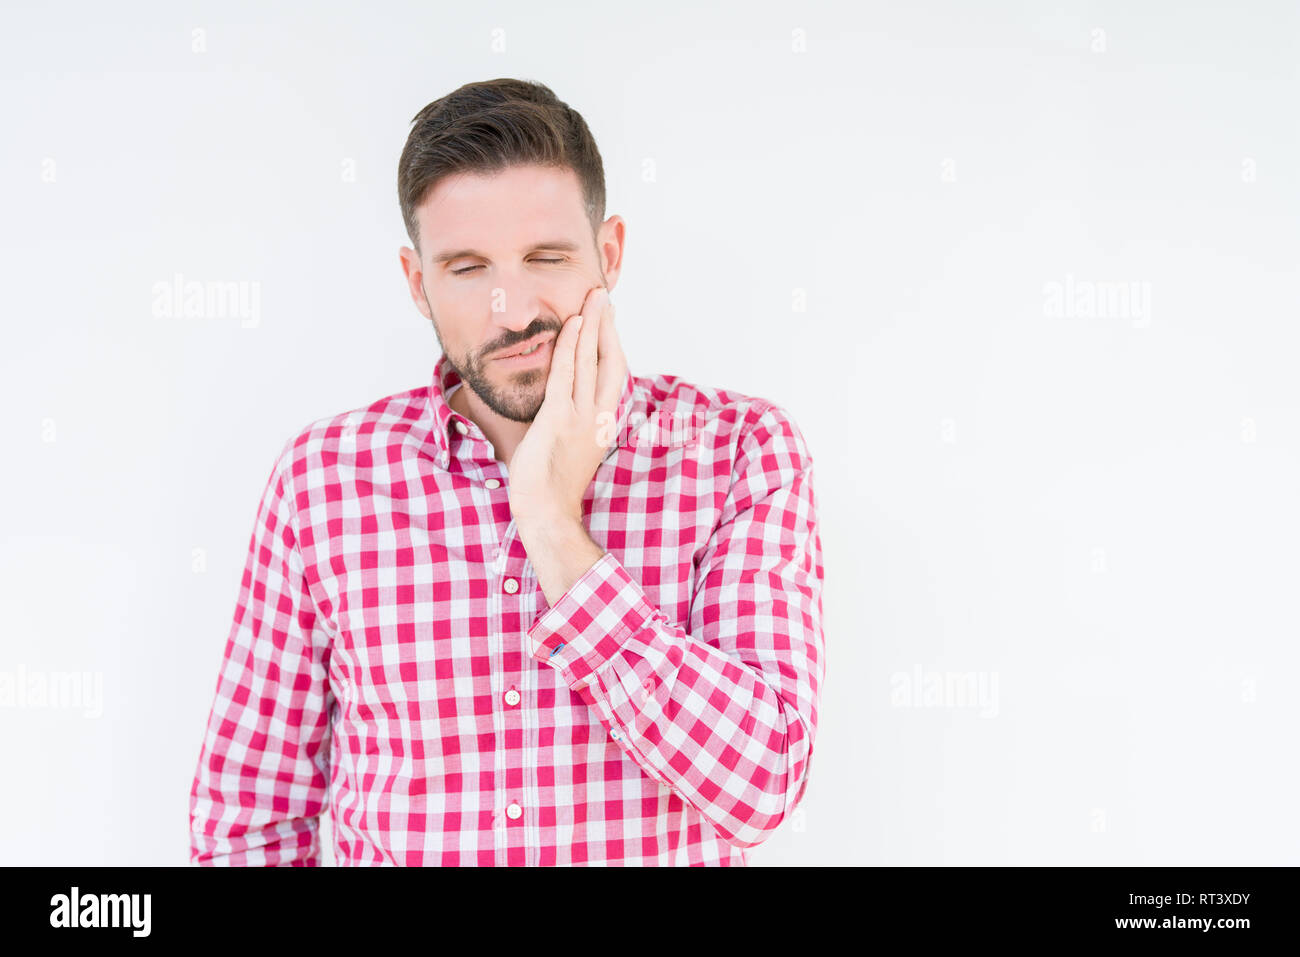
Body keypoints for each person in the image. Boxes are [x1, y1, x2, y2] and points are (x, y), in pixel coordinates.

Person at [189, 78, 825, 866]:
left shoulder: (738, 453)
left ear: (610, 254)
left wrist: (554, 525)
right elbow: (247, 823)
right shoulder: (322, 481)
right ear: (417, 283)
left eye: (544, 258)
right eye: (466, 268)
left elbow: (761, 785)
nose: (513, 310)